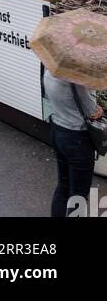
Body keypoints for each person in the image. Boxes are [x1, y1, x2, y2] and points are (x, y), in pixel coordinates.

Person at [43, 68, 104, 216]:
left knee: (63, 186)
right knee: (78, 195)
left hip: (58, 130)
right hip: (77, 139)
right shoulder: (75, 79)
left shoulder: (49, 70)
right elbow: (91, 111)